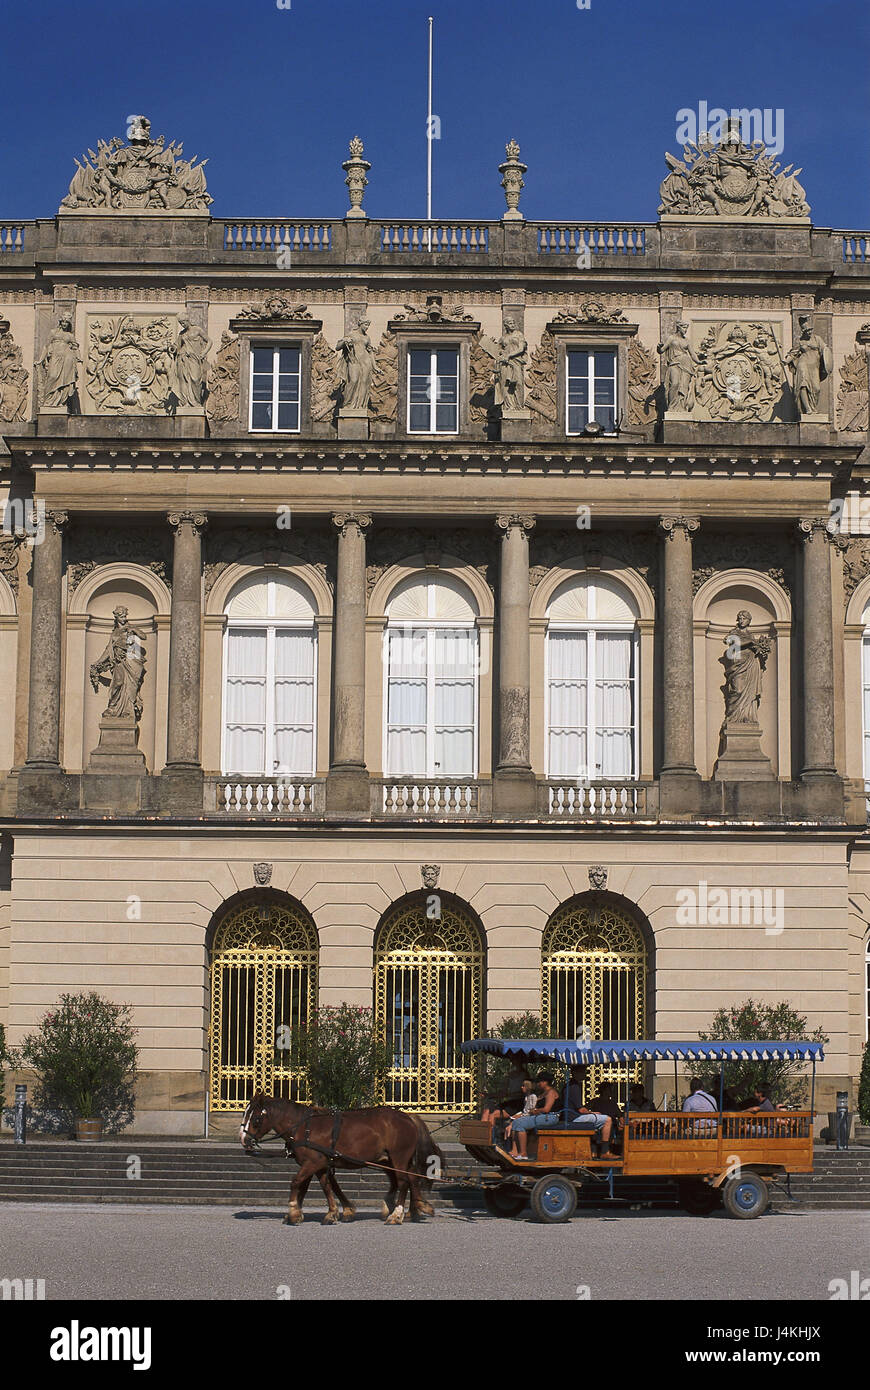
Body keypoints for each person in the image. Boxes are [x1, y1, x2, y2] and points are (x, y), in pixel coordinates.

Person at [508, 1073, 564, 1159]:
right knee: (516, 1122)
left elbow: (546, 1109)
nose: (538, 1084)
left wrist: (536, 1111)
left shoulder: (551, 1092)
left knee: (520, 1124)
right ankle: (515, 1151)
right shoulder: (543, 1093)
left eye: (539, 1082)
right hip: (543, 1116)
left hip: (550, 1117)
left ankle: (523, 1153)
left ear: (545, 1082)